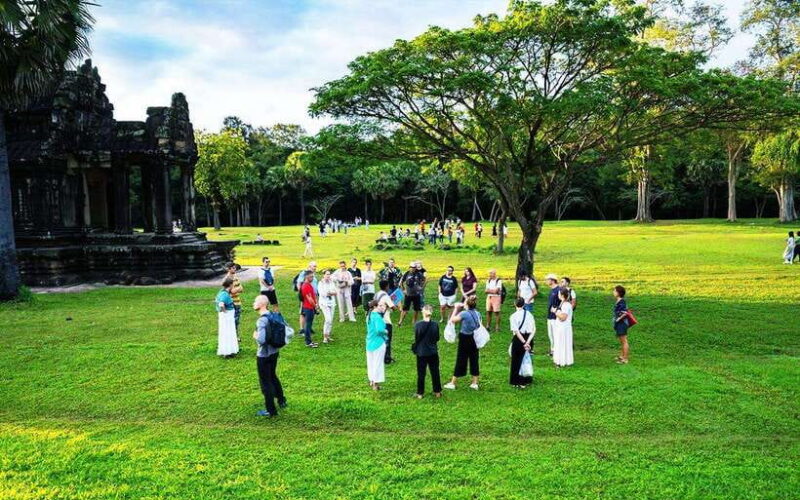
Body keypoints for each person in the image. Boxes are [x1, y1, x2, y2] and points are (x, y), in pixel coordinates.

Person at [253, 295, 286, 417]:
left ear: (262, 304)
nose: (253, 303)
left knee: (266, 382)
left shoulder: (262, 320)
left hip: (264, 355)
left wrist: (255, 336)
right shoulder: (273, 315)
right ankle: (282, 400)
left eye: (255, 301)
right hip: (274, 352)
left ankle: (270, 410)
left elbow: (261, 340)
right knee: (273, 376)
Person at [443, 296, 482, 390]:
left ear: (467, 305)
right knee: (474, 359)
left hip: (465, 338)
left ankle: (453, 383)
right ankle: (475, 383)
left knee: (461, 359)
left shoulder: (464, 314)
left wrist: (456, 308)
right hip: (474, 337)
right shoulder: (477, 313)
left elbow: (452, 320)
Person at [413, 305, 442, 399]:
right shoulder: (435, 324)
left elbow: (417, 337)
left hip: (421, 352)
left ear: (423, 312)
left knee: (421, 373)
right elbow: (437, 338)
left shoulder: (418, 325)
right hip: (433, 351)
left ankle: (420, 393)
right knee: (435, 372)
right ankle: (437, 392)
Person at [509, 298, 535, 388]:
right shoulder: (529, 315)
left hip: (519, 339)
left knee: (516, 360)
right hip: (529, 337)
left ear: (515, 304)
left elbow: (516, 331)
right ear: (524, 304)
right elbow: (533, 330)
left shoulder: (513, 316)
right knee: (527, 360)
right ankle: (527, 379)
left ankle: (516, 380)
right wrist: (528, 342)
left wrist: (524, 342)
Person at [366, 299, 389, 390]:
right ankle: (376, 383)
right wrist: (386, 331)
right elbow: (379, 330)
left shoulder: (369, 315)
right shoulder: (377, 317)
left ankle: (372, 380)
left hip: (370, 342)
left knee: (371, 362)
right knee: (378, 363)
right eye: (379, 305)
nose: (381, 307)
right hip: (378, 342)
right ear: (375, 307)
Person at [216, 277, 239, 358]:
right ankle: (227, 352)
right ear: (230, 285)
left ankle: (229, 350)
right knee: (228, 332)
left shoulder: (222, 292)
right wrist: (225, 312)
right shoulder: (224, 294)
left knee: (227, 332)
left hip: (226, 316)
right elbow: (221, 304)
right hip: (227, 316)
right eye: (232, 284)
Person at [375, 280, 397, 364]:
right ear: (387, 286)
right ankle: (387, 358)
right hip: (385, 321)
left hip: (377, 320)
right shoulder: (386, 296)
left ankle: (379, 357)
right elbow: (393, 308)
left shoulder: (377, 295)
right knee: (387, 340)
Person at [552, 287, 574, 367]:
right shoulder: (562, 303)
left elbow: (563, 318)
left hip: (563, 328)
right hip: (561, 327)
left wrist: (555, 311)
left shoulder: (566, 305)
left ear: (562, 295)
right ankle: (562, 360)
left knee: (562, 343)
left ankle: (561, 361)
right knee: (560, 343)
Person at [295, 262, 318, 334]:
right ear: (309, 266)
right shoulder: (304, 273)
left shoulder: (313, 275)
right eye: (314, 266)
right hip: (306, 296)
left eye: (315, 266)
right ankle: (302, 329)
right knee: (303, 313)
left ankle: (309, 327)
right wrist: (302, 294)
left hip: (313, 295)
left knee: (312, 312)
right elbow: (299, 283)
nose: (315, 268)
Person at [399, 263, 424, 327]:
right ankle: (400, 322)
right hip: (408, 295)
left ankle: (414, 322)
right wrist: (403, 290)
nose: (413, 269)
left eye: (414, 267)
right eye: (412, 267)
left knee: (416, 309)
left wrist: (421, 287)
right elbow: (401, 282)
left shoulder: (419, 274)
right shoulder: (406, 273)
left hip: (416, 295)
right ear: (409, 268)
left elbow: (423, 280)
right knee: (405, 309)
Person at [299, 271, 319, 348]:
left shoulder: (308, 285)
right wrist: (315, 306)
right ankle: (308, 342)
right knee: (308, 325)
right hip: (308, 308)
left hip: (309, 307)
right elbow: (309, 299)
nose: (312, 278)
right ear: (306, 277)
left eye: (313, 276)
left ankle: (310, 341)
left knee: (309, 325)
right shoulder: (305, 286)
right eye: (311, 276)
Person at [317, 270, 338, 343]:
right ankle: (325, 337)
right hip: (324, 303)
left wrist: (330, 293)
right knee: (328, 319)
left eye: (329, 274)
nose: (328, 276)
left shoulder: (332, 282)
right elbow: (322, 293)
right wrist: (330, 293)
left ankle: (328, 335)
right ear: (323, 275)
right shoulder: (321, 283)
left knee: (331, 320)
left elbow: (336, 291)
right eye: (327, 274)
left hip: (332, 302)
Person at [613, 285, 631, 364]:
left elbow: (625, 313)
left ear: (618, 293)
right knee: (622, 341)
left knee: (624, 341)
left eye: (614, 291)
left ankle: (625, 359)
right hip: (619, 324)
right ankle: (622, 356)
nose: (613, 292)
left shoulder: (622, 301)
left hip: (622, 323)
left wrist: (618, 319)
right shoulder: (619, 301)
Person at [544, 273, 561, 357]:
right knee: (550, 334)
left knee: (555, 334)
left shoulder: (558, 290)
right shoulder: (551, 290)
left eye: (547, 280)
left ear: (552, 280)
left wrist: (556, 310)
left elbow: (562, 302)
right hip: (550, 316)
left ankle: (556, 351)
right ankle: (552, 350)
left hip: (555, 316)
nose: (546, 281)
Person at [225, 262, 244, 333]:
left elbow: (242, 289)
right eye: (233, 268)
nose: (235, 269)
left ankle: (236, 335)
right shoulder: (227, 279)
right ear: (228, 269)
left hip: (237, 302)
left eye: (235, 268)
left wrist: (236, 289)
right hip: (231, 302)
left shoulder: (235, 277)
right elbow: (232, 291)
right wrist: (237, 289)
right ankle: (232, 335)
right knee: (232, 320)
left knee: (237, 320)